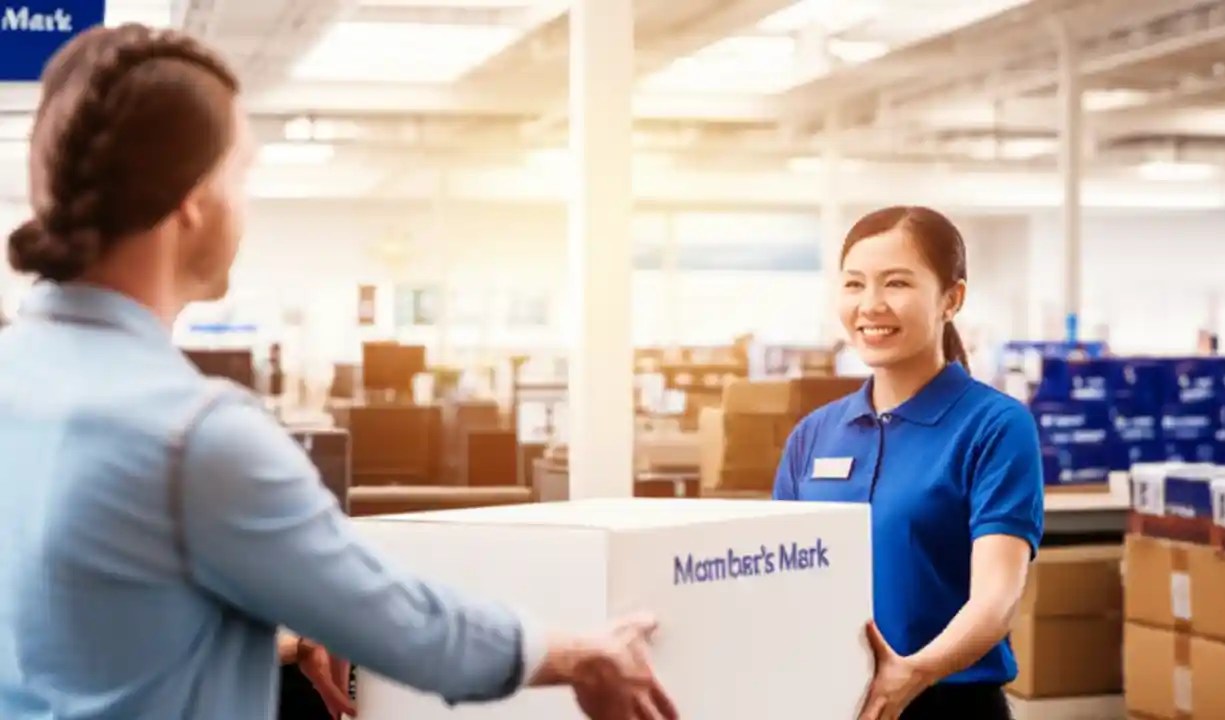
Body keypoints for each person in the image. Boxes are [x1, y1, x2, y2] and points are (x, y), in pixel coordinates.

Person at [0, 24, 677, 720]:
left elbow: (78, 635)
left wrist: (268, 629)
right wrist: (579, 654)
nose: (248, 201)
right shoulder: (194, 436)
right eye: (243, 173)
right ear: (192, 202)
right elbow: (412, 629)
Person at [772, 206, 1044, 720]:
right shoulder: (814, 435)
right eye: (854, 285)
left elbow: (997, 598)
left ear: (952, 298)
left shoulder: (994, 427)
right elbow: (780, 584)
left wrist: (912, 674)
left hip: (948, 703)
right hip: (830, 701)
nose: (871, 305)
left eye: (896, 284)